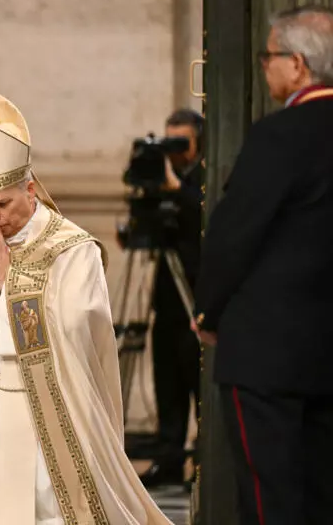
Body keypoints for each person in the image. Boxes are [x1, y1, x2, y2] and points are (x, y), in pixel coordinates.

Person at [0, 90, 171, 524]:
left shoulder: (71, 249)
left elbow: (77, 329)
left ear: (30, 189)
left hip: (43, 412)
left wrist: (11, 286)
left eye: (2, 203)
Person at [192, 5, 333, 525]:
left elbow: (236, 233)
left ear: (296, 64)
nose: (265, 65)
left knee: (269, 497)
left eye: (269, 56)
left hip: (269, 352)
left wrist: (208, 311)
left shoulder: (280, 134)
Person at [139, 109, 205, 488]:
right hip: (166, 296)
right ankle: (168, 457)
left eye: (181, 143)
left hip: (195, 291)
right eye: (170, 142)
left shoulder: (202, 176)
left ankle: (200, 463)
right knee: (167, 379)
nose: (175, 152)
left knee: (195, 378)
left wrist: (176, 188)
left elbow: (204, 213)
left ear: (197, 140)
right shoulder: (162, 177)